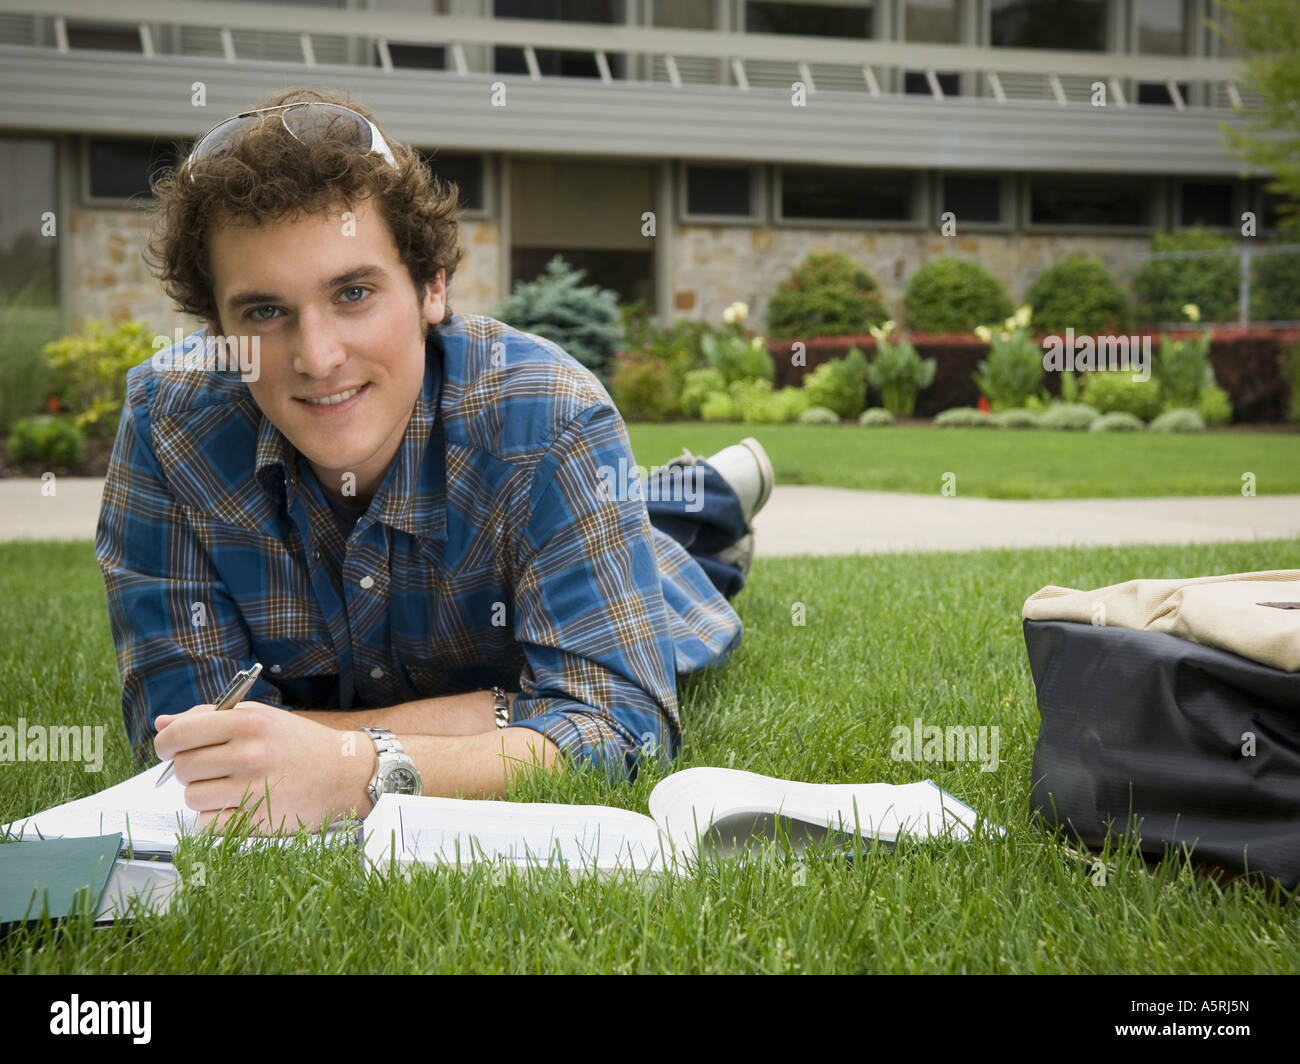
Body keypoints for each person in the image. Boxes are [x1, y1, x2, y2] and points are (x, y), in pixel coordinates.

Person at [97, 87, 774, 836]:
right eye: (264, 311)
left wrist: (352, 763)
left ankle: (710, 497)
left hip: (643, 561)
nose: (317, 358)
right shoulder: (168, 426)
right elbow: (185, 742)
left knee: (673, 564)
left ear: (432, 288)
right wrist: (504, 713)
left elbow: (621, 725)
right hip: (535, 561)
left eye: (353, 292)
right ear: (216, 326)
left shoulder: (550, 416)